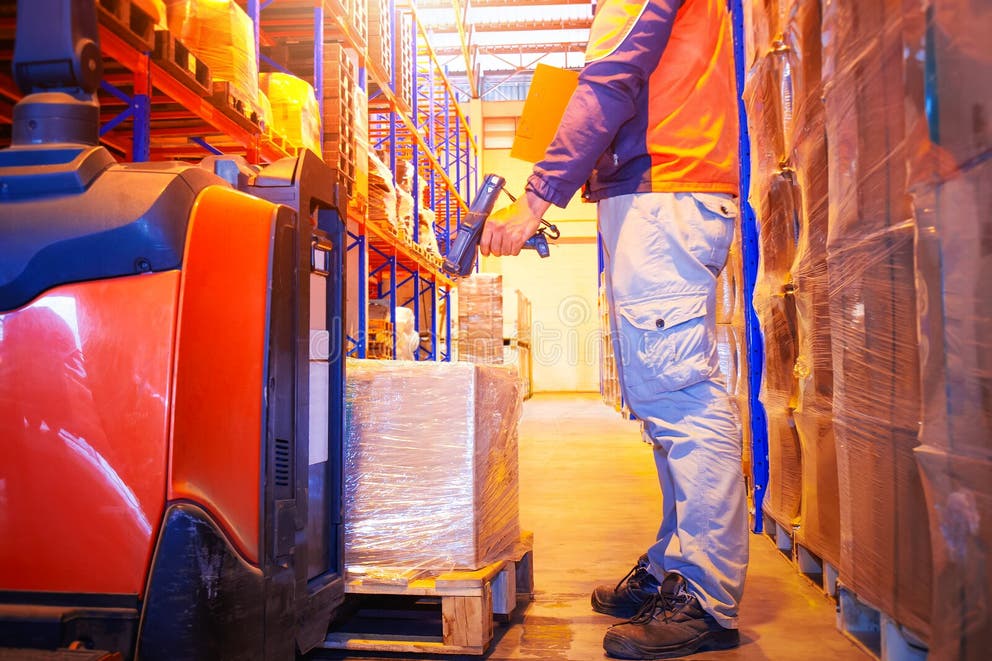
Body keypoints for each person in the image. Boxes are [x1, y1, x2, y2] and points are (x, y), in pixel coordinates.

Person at [479, 0, 749, 658]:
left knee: (682, 397)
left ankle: (707, 597)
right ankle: (673, 565)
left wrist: (535, 196)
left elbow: (609, 79)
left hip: (666, 191)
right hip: (657, 188)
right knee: (665, 401)